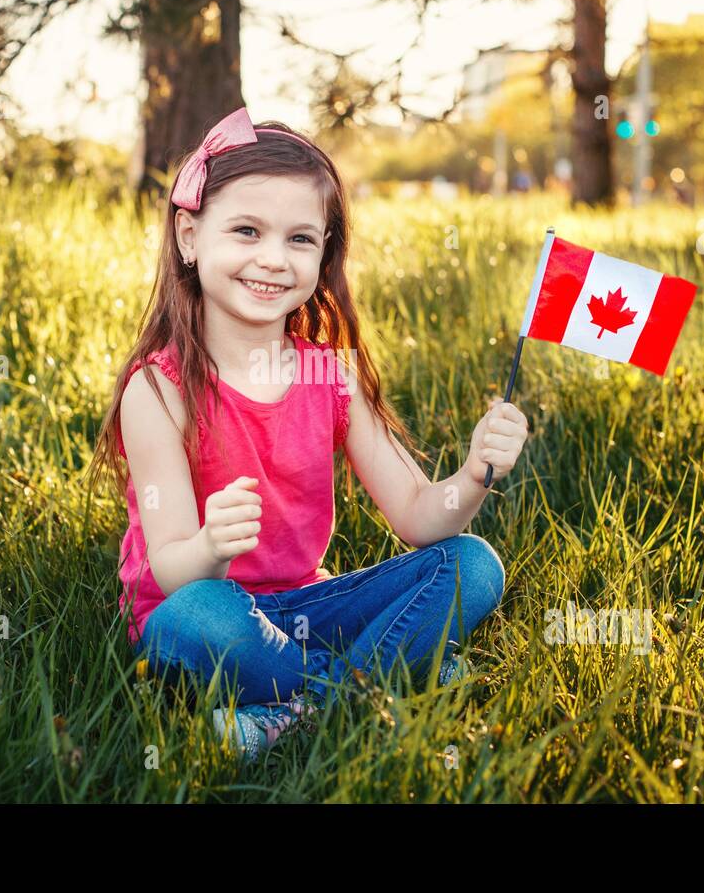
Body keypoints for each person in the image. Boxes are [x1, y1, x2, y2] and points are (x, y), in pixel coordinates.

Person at [88, 107, 528, 762]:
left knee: (470, 565)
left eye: (300, 239)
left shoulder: (331, 376)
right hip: (199, 612)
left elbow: (417, 518)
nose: (272, 258)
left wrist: (472, 477)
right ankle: (390, 678)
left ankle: (295, 710)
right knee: (202, 618)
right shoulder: (159, 390)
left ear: (324, 257)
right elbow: (174, 571)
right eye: (246, 230)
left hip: (304, 605)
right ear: (189, 236)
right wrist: (210, 542)